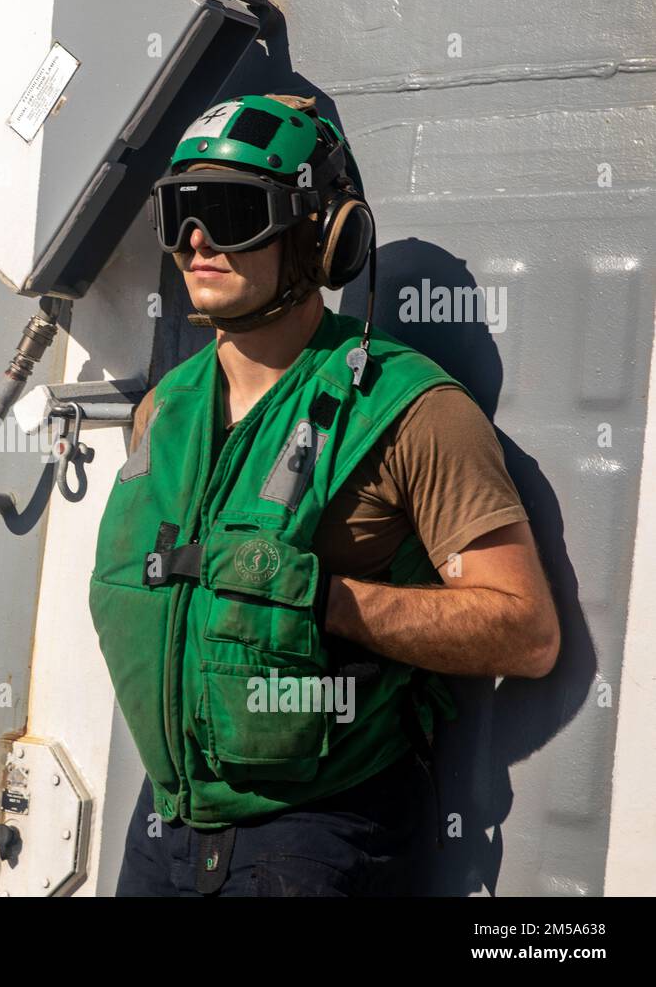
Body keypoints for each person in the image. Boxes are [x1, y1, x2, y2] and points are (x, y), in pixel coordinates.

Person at [87, 94, 559, 896]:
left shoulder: (413, 411)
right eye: (180, 212)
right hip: (164, 821)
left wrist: (329, 602)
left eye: (231, 211)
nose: (196, 240)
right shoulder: (162, 408)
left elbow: (527, 631)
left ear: (322, 236)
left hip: (317, 838)